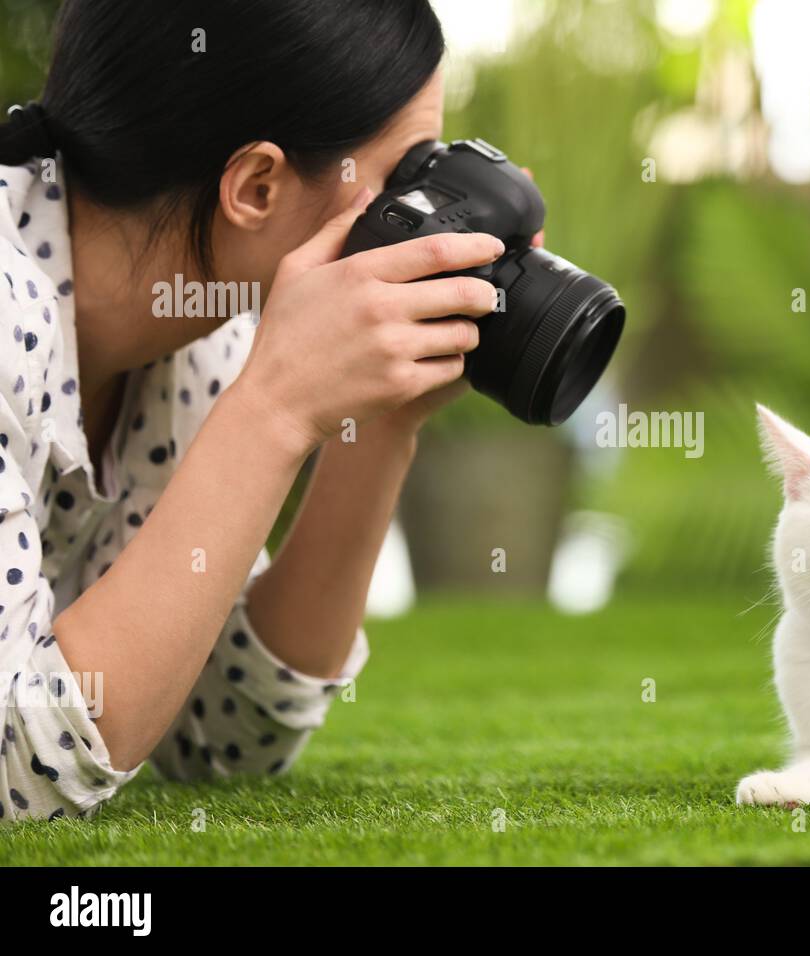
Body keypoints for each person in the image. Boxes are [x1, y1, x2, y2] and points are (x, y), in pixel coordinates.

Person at [0, 0, 501, 821]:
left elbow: (224, 734)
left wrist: (382, 425)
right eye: (409, 174)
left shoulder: (202, 334)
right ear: (257, 185)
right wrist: (271, 410)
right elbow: (17, 771)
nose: (430, 209)